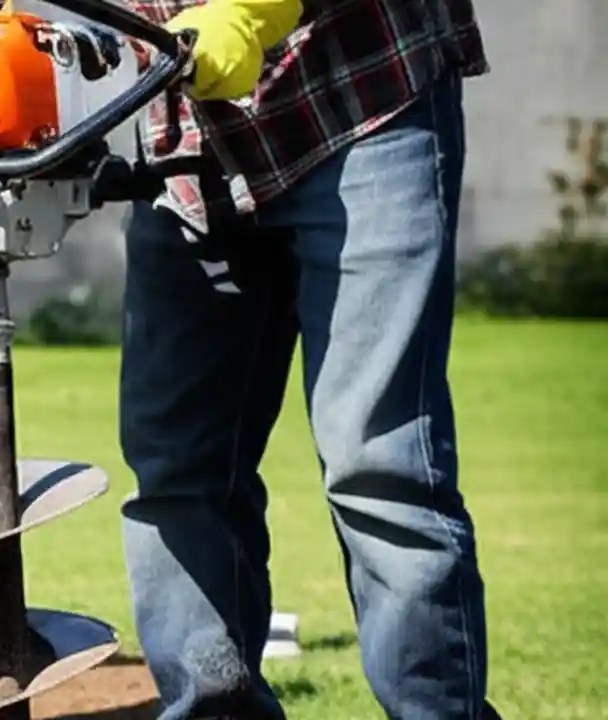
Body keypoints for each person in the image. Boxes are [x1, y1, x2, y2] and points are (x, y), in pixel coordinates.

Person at [115, 0, 502, 718]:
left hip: (359, 90)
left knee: (382, 472)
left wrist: (250, 7)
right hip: (184, 142)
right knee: (177, 472)